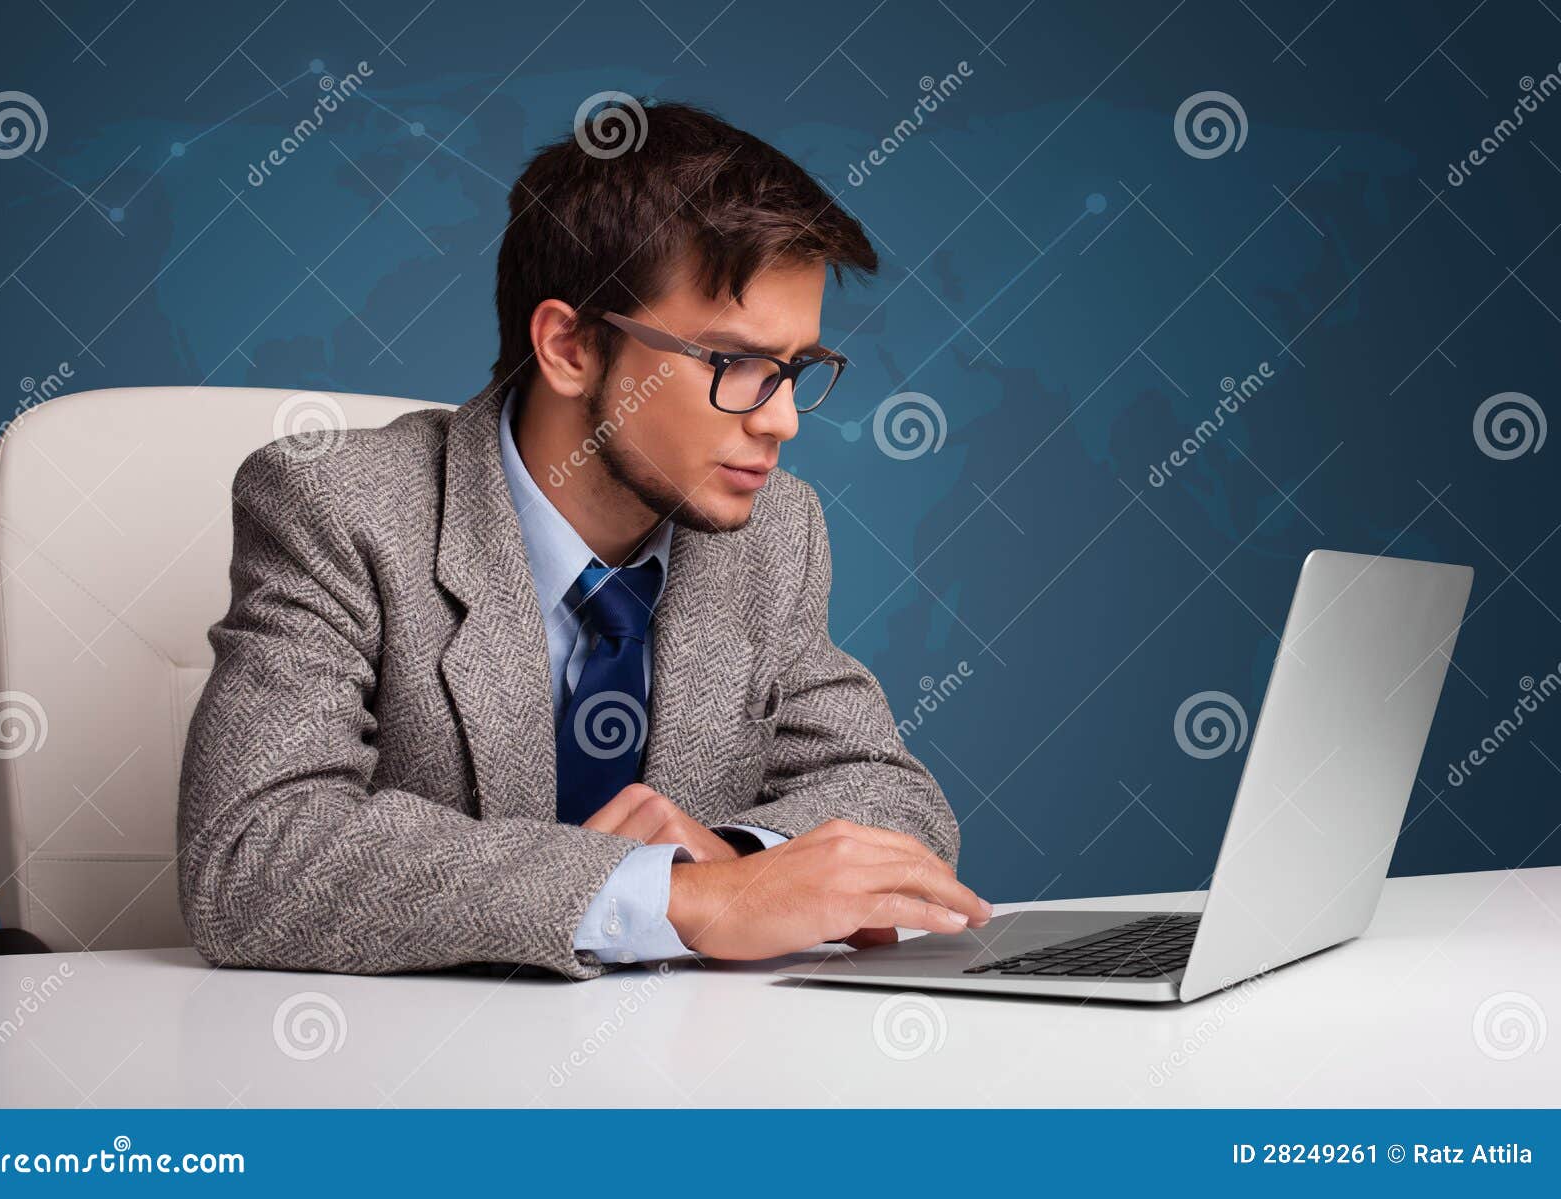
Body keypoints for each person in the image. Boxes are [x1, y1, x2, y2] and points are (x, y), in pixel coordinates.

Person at [177, 100, 990, 980]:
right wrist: (683, 897)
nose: (784, 420)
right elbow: (252, 858)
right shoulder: (335, 504)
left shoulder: (773, 533)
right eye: (734, 365)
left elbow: (896, 798)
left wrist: (733, 853)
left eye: (796, 370)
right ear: (569, 347)